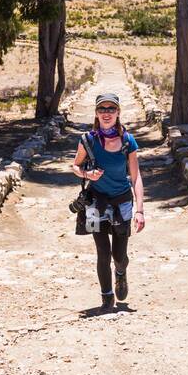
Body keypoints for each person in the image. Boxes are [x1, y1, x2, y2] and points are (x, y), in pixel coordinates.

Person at [70, 92, 145, 308]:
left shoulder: (127, 141)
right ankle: (107, 298)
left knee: (118, 254)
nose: (106, 113)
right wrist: (87, 174)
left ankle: (121, 272)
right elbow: (75, 165)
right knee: (102, 252)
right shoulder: (87, 140)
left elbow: (136, 176)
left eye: (111, 109)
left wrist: (139, 210)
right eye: (102, 109)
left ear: (118, 112)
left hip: (122, 202)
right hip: (96, 202)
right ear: (96, 113)